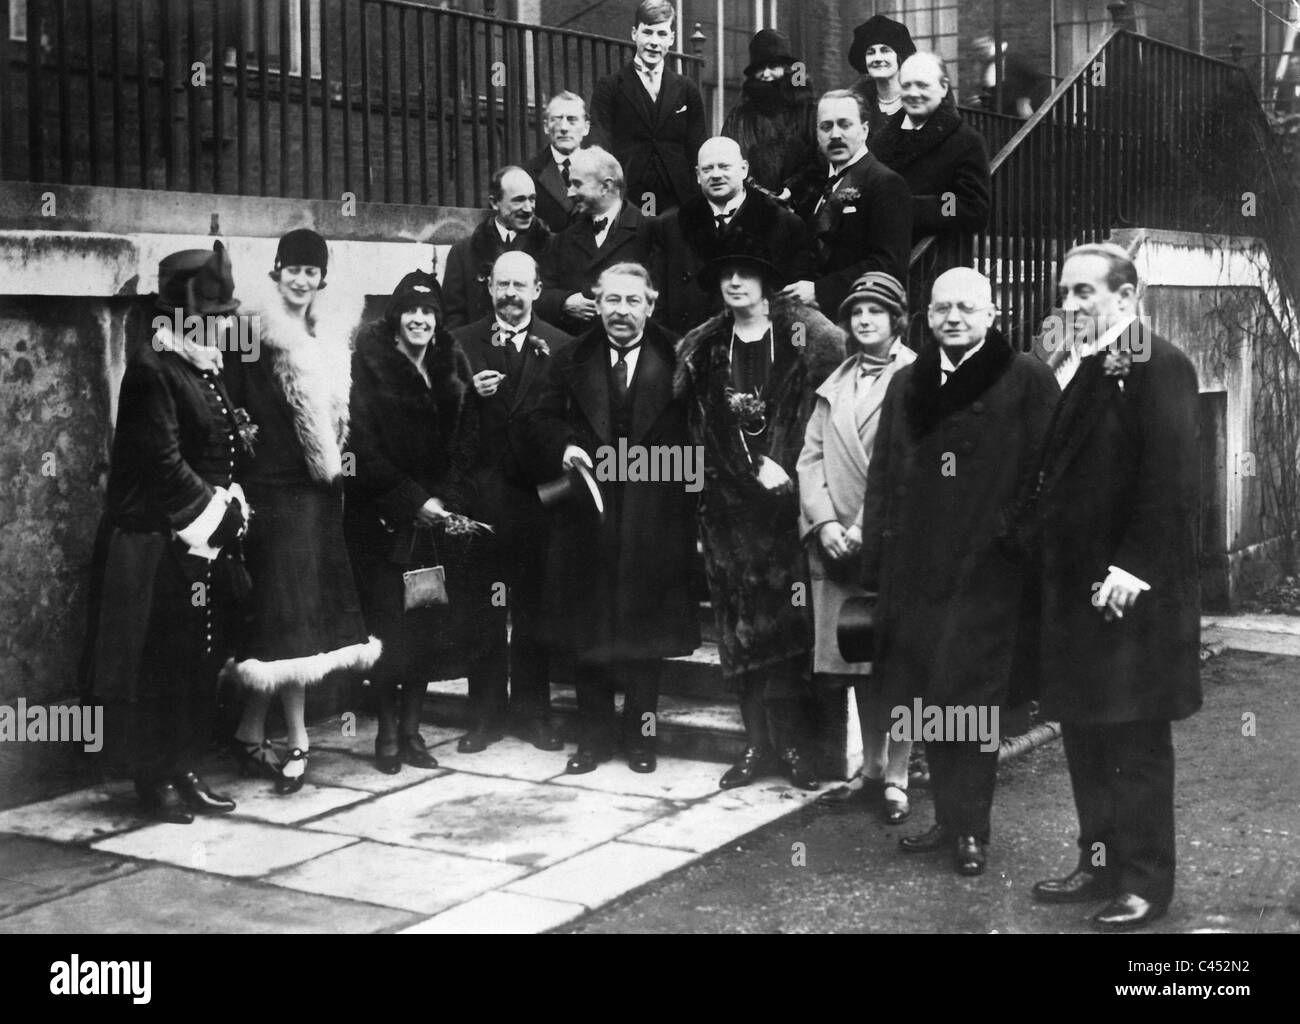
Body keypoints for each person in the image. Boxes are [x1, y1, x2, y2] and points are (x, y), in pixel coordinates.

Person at [1025, 243, 1201, 931]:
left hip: (1132, 598)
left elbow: (1172, 483)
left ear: (1126, 299)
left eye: (1084, 294)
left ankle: (1145, 882)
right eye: (1065, 293)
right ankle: (1097, 861)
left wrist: (1131, 568)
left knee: (1134, 741)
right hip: (1077, 593)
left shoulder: (1161, 366)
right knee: (1085, 732)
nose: (1068, 306)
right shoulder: (1092, 365)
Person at [860, 267, 1058, 875]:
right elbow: (885, 474)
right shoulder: (908, 382)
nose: (952, 318)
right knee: (928, 697)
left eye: (966, 308)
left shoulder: (1024, 376)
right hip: (917, 571)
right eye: (942, 307)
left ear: (993, 314)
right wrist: (877, 563)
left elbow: (1052, 471)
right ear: (926, 316)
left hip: (987, 574)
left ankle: (970, 830)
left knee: (971, 702)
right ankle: (946, 820)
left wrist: (1013, 541)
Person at [80, 243, 247, 823]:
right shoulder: (153, 369)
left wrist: (232, 500)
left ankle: (185, 766)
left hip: (193, 543)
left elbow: (219, 445)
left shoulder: (198, 361)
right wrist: (217, 517)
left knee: (199, 656)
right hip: (154, 544)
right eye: (215, 312)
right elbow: (165, 464)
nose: (225, 323)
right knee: (159, 662)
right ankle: (153, 778)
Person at [675, 247, 844, 790]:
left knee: (785, 629)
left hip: (783, 508)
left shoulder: (802, 341)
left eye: (745, 273)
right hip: (726, 508)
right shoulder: (705, 351)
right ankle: (755, 746)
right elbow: (699, 429)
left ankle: (792, 746)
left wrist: (785, 466)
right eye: (725, 274)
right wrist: (744, 469)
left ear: (766, 283)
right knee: (737, 632)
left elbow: (816, 416)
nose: (735, 282)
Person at [223, 228, 380, 794]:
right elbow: (230, 406)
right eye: (292, 269)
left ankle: (247, 730)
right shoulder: (251, 329)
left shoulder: (330, 331)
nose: (301, 280)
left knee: (292, 612)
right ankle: (298, 741)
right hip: (272, 490)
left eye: (311, 272)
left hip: (318, 493)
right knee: (287, 614)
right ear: (277, 270)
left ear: (322, 279)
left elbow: (341, 412)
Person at [527, 263, 699, 775]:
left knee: (646, 637)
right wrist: (567, 450)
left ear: (651, 304)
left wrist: (681, 501)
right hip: (589, 514)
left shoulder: (679, 357)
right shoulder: (570, 357)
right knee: (591, 633)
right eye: (611, 301)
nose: (621, 312)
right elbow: (538, 418)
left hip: (655, 514)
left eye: (632, 301)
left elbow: (697, 431)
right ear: (596, 304)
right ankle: (594, 739)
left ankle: (641, 739)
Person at [346, 270, 485, 775]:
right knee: (389, 632)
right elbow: (358, 447)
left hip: (436, 526)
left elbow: (468, 442)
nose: (420, 320)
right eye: (411, 311)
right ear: (396, 316)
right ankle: (385, 732)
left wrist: (445, 500)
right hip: (384, 524)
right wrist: (409, 500)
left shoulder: (452, 365)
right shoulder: (368, 367)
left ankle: (412, 728)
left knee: (428, 628)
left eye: (429, 312)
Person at [797, 272, 917, 822]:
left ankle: (898, 775)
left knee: (897, 664)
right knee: (856, 658)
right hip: (836, 545)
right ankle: (870, 768)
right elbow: (812, 457)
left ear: (897, 319)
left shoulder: (917, 377)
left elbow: (911, 463)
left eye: (877, 310)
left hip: (890, 542)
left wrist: (868, 527)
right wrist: (823, 523)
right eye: (857, 311)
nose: (865, 320)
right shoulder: (836, 380)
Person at [451, 252, 574, 753]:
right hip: (482, 500)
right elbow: (440, 417)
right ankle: (483, 716)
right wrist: (467, 396)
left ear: (538, 289)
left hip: (538, 500)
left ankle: (533, 713)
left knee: (533, 610)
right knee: (481, 611)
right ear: (488, 287)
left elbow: (570, 422)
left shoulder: (564, 346)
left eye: (520, 285)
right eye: (502, 284)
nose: (510, 295)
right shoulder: (460, 343)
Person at [647, 136, 811, 336]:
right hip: (685, 350)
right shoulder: (670, 226)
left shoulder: (784, 224)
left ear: (744, 169)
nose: (716, 175)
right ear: (698, 175)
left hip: (760, 351)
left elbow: (798, 308)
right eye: (708, 169)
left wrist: (794, 355)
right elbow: (657, 304)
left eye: (724, 167)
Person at [783, 89, 913, 316]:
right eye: (826, 127)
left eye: (844, 125)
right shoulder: (817, 186)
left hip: (858, 317)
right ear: (817, 134)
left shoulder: (885, 183)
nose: (835, 135)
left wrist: (820, 291)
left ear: (864, 130)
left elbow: (888, 265)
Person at [589, 0, 707, 215]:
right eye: (647, 32)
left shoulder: (687, 89)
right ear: (634, 34)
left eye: (661, 34)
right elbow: (599, 147)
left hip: (678, 198)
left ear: (671, 38)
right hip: (627, 196)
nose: (654, 42)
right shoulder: (610, 87)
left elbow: (697, 147)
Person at [871, 53, 990, 246]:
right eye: (906, 85)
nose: (913, 93)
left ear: (943, 88)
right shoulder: (881, 140)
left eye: (922, 85)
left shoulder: (966, 141)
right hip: (882, 255)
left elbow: (971, 207)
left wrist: (907, 207)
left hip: (935, 259)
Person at [536, 146, 652, 336]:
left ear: (605, 186)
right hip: (577, 351)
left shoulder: (647, 232)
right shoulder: (565, 238)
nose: (570, 193)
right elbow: (540, 293)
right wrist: (565, 301)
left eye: (577, 184)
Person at [443, 165, 552, 330]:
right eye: (519, 200)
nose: (528, 209)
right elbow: (453, 319)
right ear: (495, 203)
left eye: (532, 199)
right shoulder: (463, 253)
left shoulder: (552, 246)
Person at [720, 29, 818, 194]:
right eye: (760, 68)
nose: (766, 74)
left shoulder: (807, 111)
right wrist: (759, 193)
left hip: (802, 203)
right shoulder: (739, 117)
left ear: (786, 69)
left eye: (773, 66)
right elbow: (730, 159)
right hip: (752, 203)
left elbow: (818, 158)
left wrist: (791, 190)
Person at [523, 91, 591, 233]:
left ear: (586, 127)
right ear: (546, 126)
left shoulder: (602, 172)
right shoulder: (526, 175)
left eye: (572, 120)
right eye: (557, 119)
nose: (564, 128)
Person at [847, 14, 916, 138]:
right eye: (871, 52)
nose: (878, 58)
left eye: (885, 51)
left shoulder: (920, 103)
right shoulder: (854, 109)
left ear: (899, 57)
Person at [975, 35, 1050, 119]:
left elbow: (1038, 79)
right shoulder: (986, 64)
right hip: (1000, 112)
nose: (981, 52)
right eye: (978, 49)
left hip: (1019, 111)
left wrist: (1026, 100)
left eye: (984, 46)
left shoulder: (1013, 58)